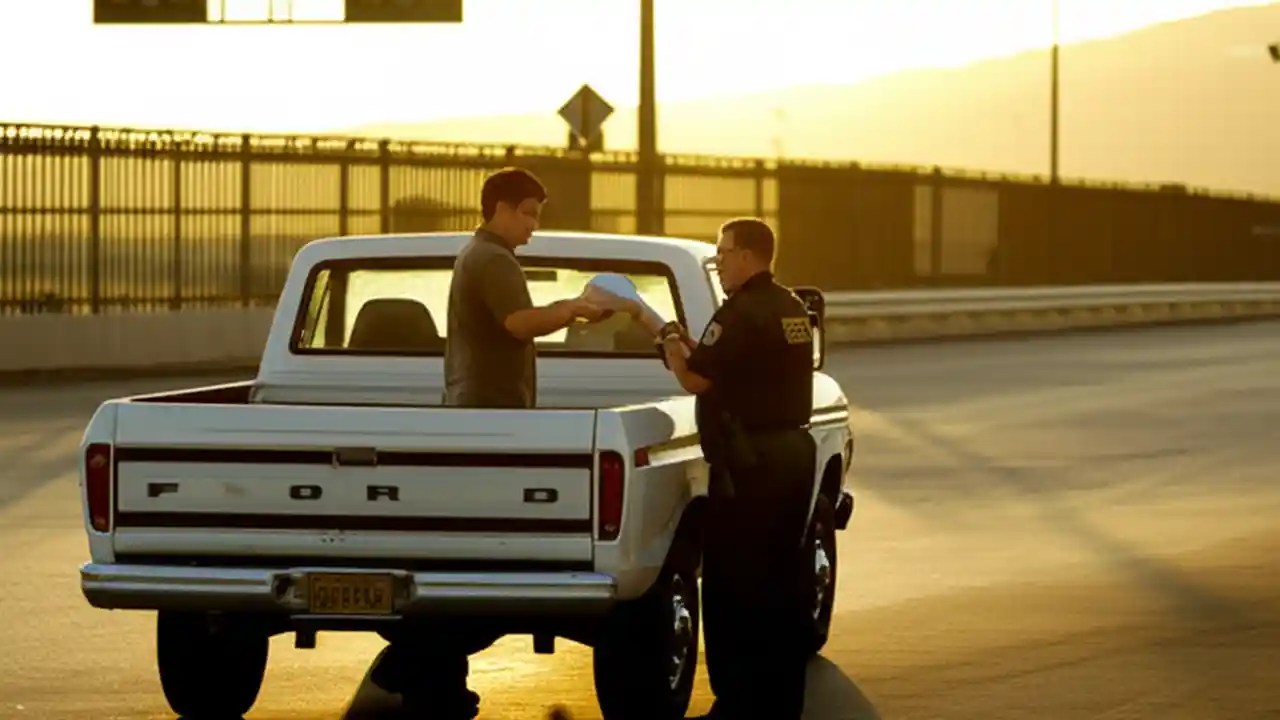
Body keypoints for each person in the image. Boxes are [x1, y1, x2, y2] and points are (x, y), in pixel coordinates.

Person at [370, 167, 606, 718]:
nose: (532, 227)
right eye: (528, 213)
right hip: (489, 418)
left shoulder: (476, 255)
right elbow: (518, 323)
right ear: (500, 207)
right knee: (484, 562)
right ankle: (409, 664)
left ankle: (432, 682)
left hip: (474, 410)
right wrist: (571, 308)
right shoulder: (494, 259)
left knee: (456, 559)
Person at [660, 217, 816, 719]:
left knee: (733, 586)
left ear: (747, 256)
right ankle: (781, 700)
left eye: (724, 254)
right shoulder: (791, 307)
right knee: (782, 580)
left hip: (750, 466)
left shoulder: (740, 312)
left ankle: (739, 702)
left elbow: (697, 380)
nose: (721, 263)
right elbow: (740, 364)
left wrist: (668, 346)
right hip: (792, 458)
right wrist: (695, 349)